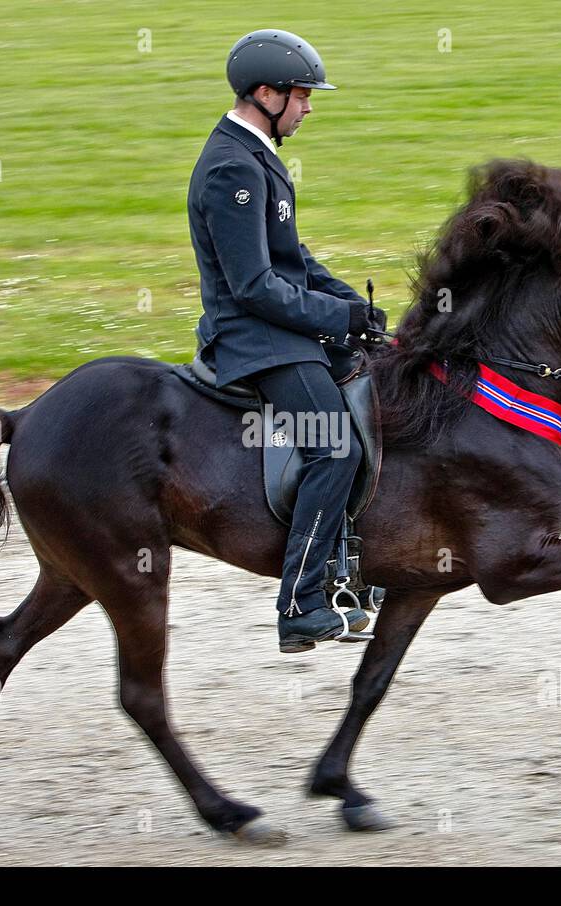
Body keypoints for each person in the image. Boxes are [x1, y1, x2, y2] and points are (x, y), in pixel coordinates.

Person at [187, 29, 386, 653]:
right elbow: (253, 286)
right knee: (333, 448)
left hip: (284, 327)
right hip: (256, 339)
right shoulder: (230, 170)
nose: (308, 108)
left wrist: (353, 305)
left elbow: (292, 258)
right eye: (302, 96)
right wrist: (334, 319)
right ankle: (301, 603)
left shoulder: (257, 156)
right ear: (266, 94)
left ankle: (356, 571)